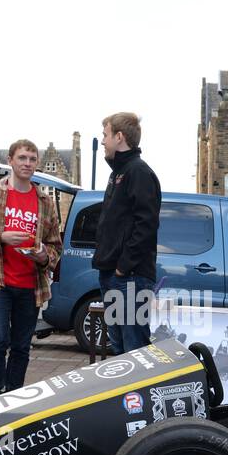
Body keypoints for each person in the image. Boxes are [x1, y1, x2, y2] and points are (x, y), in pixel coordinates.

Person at [0, 140, 62, 398]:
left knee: (21, 346)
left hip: (30, 285)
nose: (27, 163)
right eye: (22, 158)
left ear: (37, 164)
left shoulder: (45, 202)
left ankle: (12, 398)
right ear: (10, 160)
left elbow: (56, 248)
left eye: (32, 159)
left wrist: (44, 255)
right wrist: (2, 237)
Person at [92, 112, 161, 353]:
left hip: (130, 277)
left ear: (119, 137)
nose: (102, 141)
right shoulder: (117, 174)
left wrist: (123, 267)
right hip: (113, 275)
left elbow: (147, 225)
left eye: (105, 134)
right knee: (119, 351)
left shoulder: (139, 172)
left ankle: (139, 393)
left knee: (135, 352)